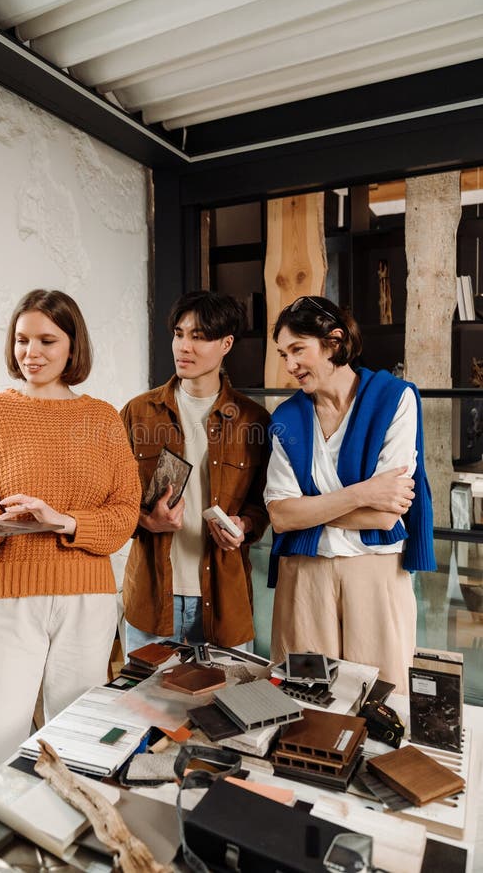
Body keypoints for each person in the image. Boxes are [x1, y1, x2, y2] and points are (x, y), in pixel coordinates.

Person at [0, 289, 141, 779]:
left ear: (73, 346)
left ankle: (66, 843)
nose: (32, 353)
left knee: (78, 744)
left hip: (86, 600)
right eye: (22, 340)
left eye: (47, 340)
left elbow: (124, 513)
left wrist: (61, 521)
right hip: (3, 598)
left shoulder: (103, 418)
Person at [265, 295, 436, 694]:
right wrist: (365, 492)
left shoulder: (395, 400)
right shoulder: (286, 418)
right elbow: (280, 517)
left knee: (382, 698)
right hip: (304, 575)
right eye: (282, 354)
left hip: (374, 575)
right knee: (303, 698)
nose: (289, 366)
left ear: (335, 341)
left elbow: (384, 517)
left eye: (298, 350)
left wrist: (307, 510)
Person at [120, 290, 271, 654]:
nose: (183, 346)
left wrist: (244, 526)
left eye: (199, 336)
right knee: (145, 710)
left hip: (223, 601)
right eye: (179, 333)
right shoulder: (138, 413)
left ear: (226, 343)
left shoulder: (254, 420)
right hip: (153, 601)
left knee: (229, 707)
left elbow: (263, 505)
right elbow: (111, 503)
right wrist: (146, 520)